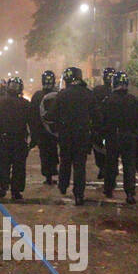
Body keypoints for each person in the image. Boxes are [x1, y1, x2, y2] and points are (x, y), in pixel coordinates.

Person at [0, 76, 37, 200]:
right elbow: (33, 123)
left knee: (3, 164)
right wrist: (33, 140)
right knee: (19, 166)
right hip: (19, 140)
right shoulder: (25, 104)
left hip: (3, 139)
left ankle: (3, 187)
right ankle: (16, 191)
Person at [48, 66, 97, 205]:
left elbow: (51, 114)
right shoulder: (88, 93)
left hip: (65, 135)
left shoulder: (62, 94)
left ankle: (63, 186)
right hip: (82, 135)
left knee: (65, 162)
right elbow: (97, 116)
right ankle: (79, 194)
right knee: (79, 166)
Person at [98, 70, 138, 204]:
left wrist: (101, 135)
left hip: (113, 136)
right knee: (129, 165)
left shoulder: (108, 100)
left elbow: (102, 120)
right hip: (129, 136)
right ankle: (130, 193)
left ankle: (109, 189)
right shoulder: (133, 100)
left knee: (111, 163)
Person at [30, 70, 59, 185]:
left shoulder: (37, 95)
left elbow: (32, 114)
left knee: (45, 153)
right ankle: (51, 173)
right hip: (52, 130)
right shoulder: (57, 95)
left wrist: (33, 132)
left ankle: (48, 175)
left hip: (41, 130)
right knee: (52, 151)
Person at [91, 67, 116, 178]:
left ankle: (103, 167)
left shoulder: (97, 90)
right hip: (110, 125)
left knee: (98, 147)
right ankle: (107, 169)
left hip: (100, 125)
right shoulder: (117, 92)